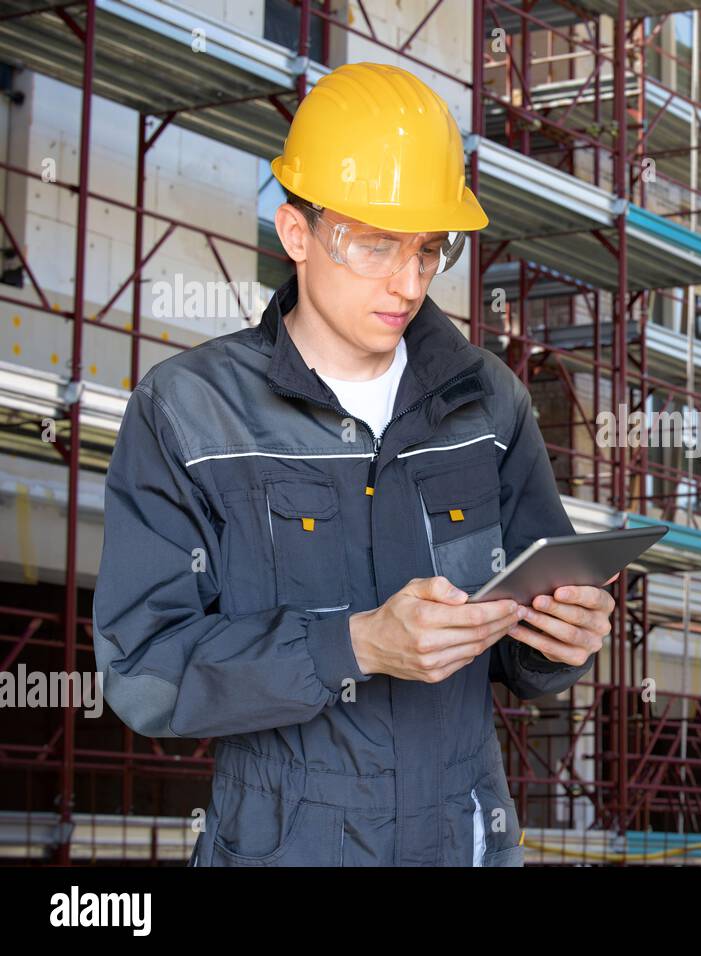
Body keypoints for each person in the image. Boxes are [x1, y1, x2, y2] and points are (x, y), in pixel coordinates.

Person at [91, 61, 613, 866]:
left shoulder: (488, 405)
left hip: (463, 841)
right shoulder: (187, 411)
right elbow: (145, 671)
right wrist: (355, 647)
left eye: (428, 251)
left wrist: (559, 640)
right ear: (295, 233)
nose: (407, 283)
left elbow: (520, 646)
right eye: (375, 244)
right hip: (282, 846)